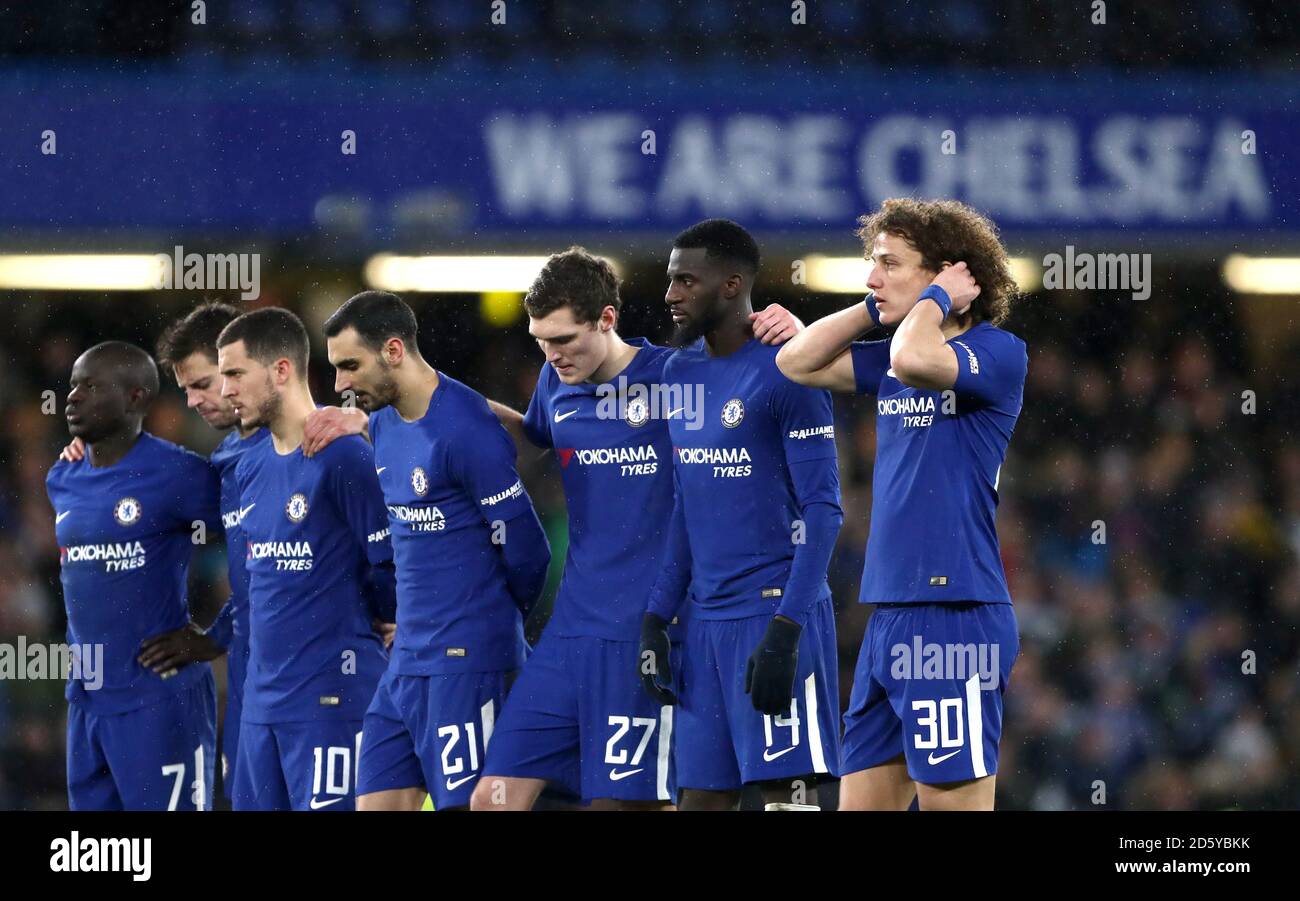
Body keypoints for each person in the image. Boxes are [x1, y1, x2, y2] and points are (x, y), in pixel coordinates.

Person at [59, 303, 371, 802]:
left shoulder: (321, 443)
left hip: (326, 679)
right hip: (254, 686)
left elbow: (375, 542)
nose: (203, 398)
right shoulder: (224, 462)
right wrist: (95, 463)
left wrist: (368, 423)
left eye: (210, 380)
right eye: (188, 389)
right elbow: (259, 572)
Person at [775, 197, 1026, 810]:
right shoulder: (891, 359)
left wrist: (935, 300)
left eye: (889, 264)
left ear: (947, 272)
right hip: (890, 615)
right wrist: (873, 307)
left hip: (954, 614)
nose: (872, 276)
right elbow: (796, 362)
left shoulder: (997, 353)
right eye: (871, 263)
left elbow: (915, 357)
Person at [639, 220, 844, 810]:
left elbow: (824, 511)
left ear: (731, 285)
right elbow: (687, 502)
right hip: (703, 627)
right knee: (699, 800)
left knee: (786, 800)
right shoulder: (679, 373)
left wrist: (787, 628)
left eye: (686, 280)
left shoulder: (789, 369)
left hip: (772, 613)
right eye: (670, 279)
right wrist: (657, 615)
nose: (671, 293)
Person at [323, 291, 551, 811]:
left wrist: (484, 622)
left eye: (350, 366)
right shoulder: (382, 422)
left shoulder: (466, 429)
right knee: (376, 804)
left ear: (395, 350)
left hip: (467, 663)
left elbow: (529, 553)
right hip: (406, 662)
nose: (340, 385)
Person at [217, 308, 395, 811]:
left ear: (280, 370)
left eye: (234, 374)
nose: (225, 389)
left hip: (332, 700)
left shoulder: (343, 457)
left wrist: (400, 620)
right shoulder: (248, 468)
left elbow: (394, 565)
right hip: (261, 707)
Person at [48, 341, 221, 809]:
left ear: (136, 397)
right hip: (87, 700)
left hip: (159, 696)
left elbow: (259, 541)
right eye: (72, 386)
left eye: (91, 385)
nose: (73, 397)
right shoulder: (62, 477)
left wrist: (220, 634)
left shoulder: (180, 473)